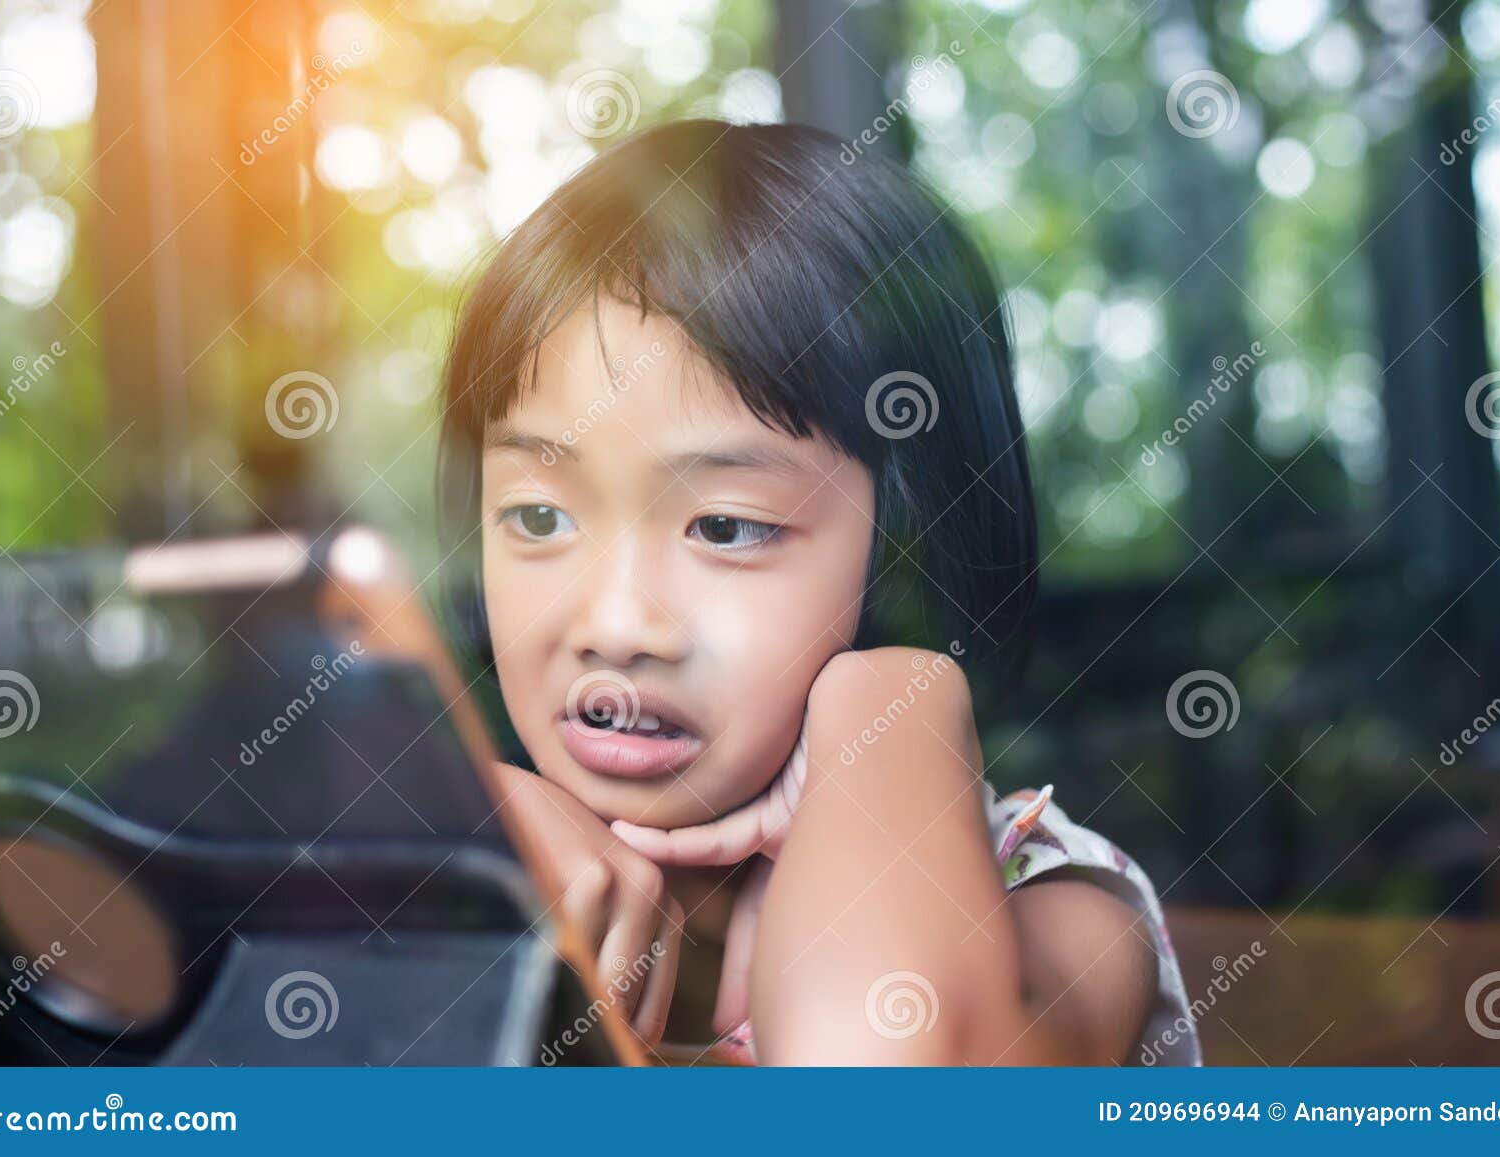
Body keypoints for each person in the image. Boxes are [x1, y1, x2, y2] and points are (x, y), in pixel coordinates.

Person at [437, 119, 1196, 1066]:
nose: (618, 624)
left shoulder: (1057, 907)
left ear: (909, 547)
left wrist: (898, 703)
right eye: (540, 518)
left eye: (725, 526)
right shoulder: (435, 893)